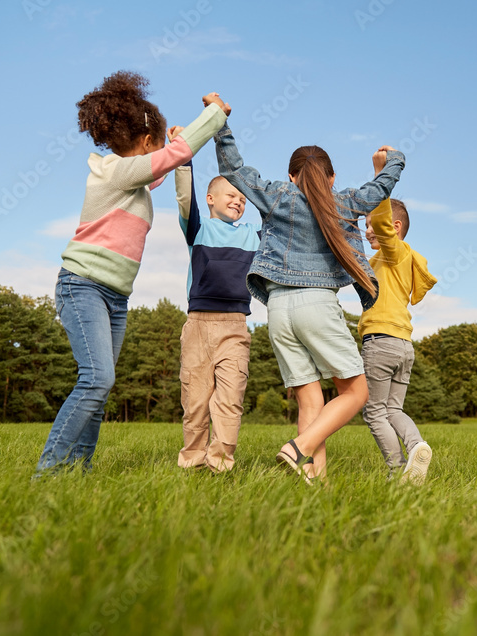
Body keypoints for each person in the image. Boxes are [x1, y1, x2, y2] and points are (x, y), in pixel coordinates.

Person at [34, 72, 229, 476]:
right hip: (82, 286)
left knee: (99, 388)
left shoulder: (133, 184)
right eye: (155, 148)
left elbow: (164, 167)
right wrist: (212, 115)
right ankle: (47, 473)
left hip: (115, 297)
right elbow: (166, 159)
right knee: (96, 380)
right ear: (144, 145)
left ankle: (78, 473)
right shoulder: (112, 171)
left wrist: (179, 146)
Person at [215, 118, 404, 483]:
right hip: (316, 305)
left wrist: (221, 125)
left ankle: (316, 485)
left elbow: (234, 169)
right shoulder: (345, 201)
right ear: (330, 178)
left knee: (310, 400)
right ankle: (299, 447)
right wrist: (393, 159)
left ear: (291, 176)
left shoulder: (276, 196)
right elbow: (381, 188)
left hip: (278, 310)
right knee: (357, 391)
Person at [171, 139, 260, 472]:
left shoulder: (253, 234)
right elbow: (185, 200)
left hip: (235, 325)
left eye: (242, 198)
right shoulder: (198, 228)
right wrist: (184, 158)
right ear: (211, 199)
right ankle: (192, 460)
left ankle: (220, 462)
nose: (238, 201)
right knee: (195, 400)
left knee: (230, 398)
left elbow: (279, 221)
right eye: (231, 195)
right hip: (198, 325)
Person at [359, 190, 438, 484]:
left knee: (375, 413)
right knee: (393, 409)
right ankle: (417, 445)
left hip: (381, 342)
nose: (368, 230)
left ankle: (396, 469)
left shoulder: (395, 252)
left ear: (395, 228)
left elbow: (382, 225)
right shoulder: (388, 258)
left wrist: (382, 180)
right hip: (403, 345)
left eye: (372, 224)